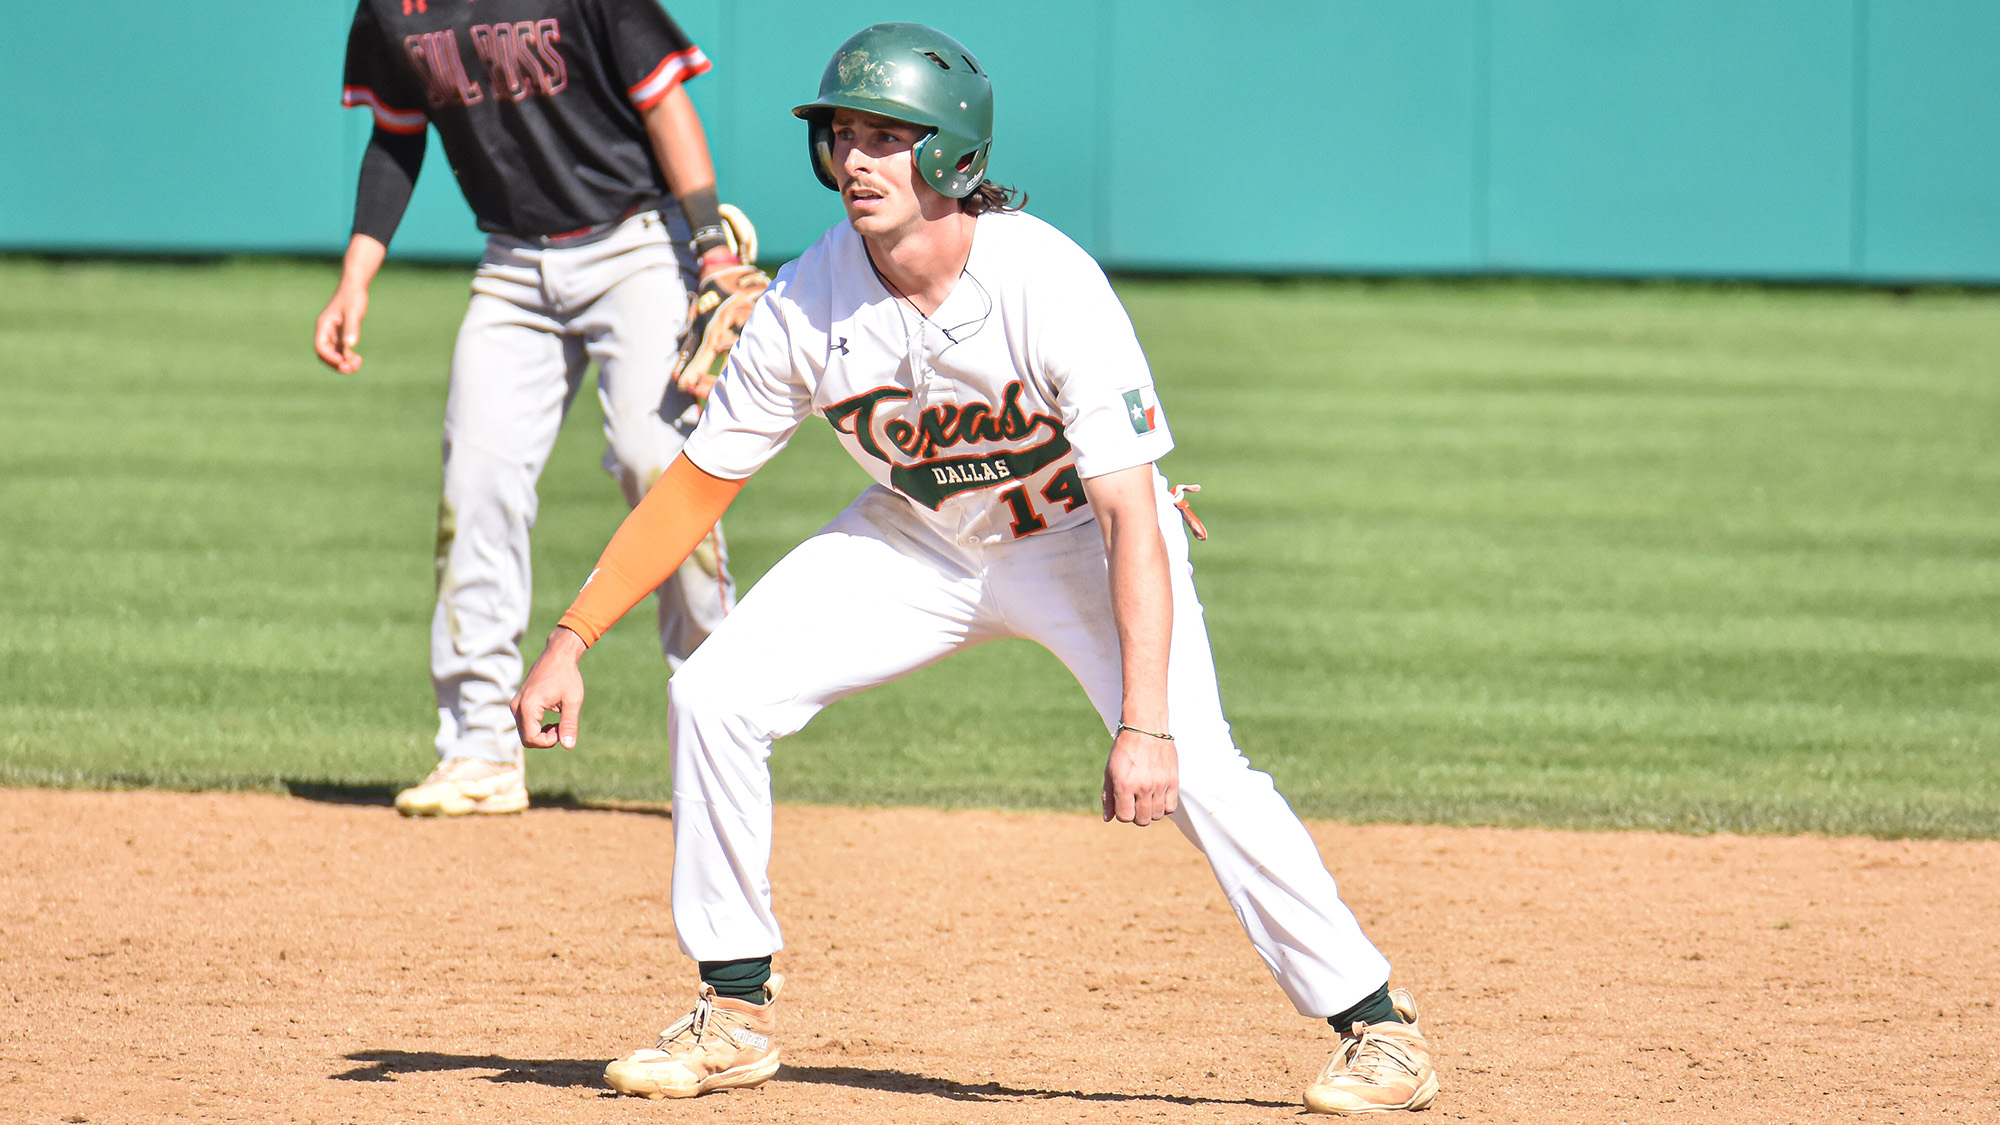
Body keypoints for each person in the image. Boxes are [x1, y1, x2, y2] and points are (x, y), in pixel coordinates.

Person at [510, 22, 1441, 1115]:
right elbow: (695, 486)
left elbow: (1130, 515)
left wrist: (1143, 727)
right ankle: (733, 1009)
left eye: (885, 137)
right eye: (841, 136)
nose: (853, 160)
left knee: (1199, 768)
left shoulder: (1050, 284)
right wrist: (570, 638)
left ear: (951, 154)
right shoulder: (807, 302)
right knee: (712, 691)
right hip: (916, 543)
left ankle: (1377, 1029)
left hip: (1077, 547)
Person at [313, 0, 740, 817]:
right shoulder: (389, 10)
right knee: (474, 483)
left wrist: (710, 242)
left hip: (638, 242)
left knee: (662, 470)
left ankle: (722, 729)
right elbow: (397, 135)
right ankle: (480, 746)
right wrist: (355, 277)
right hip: (512, 264)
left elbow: (665, 101)